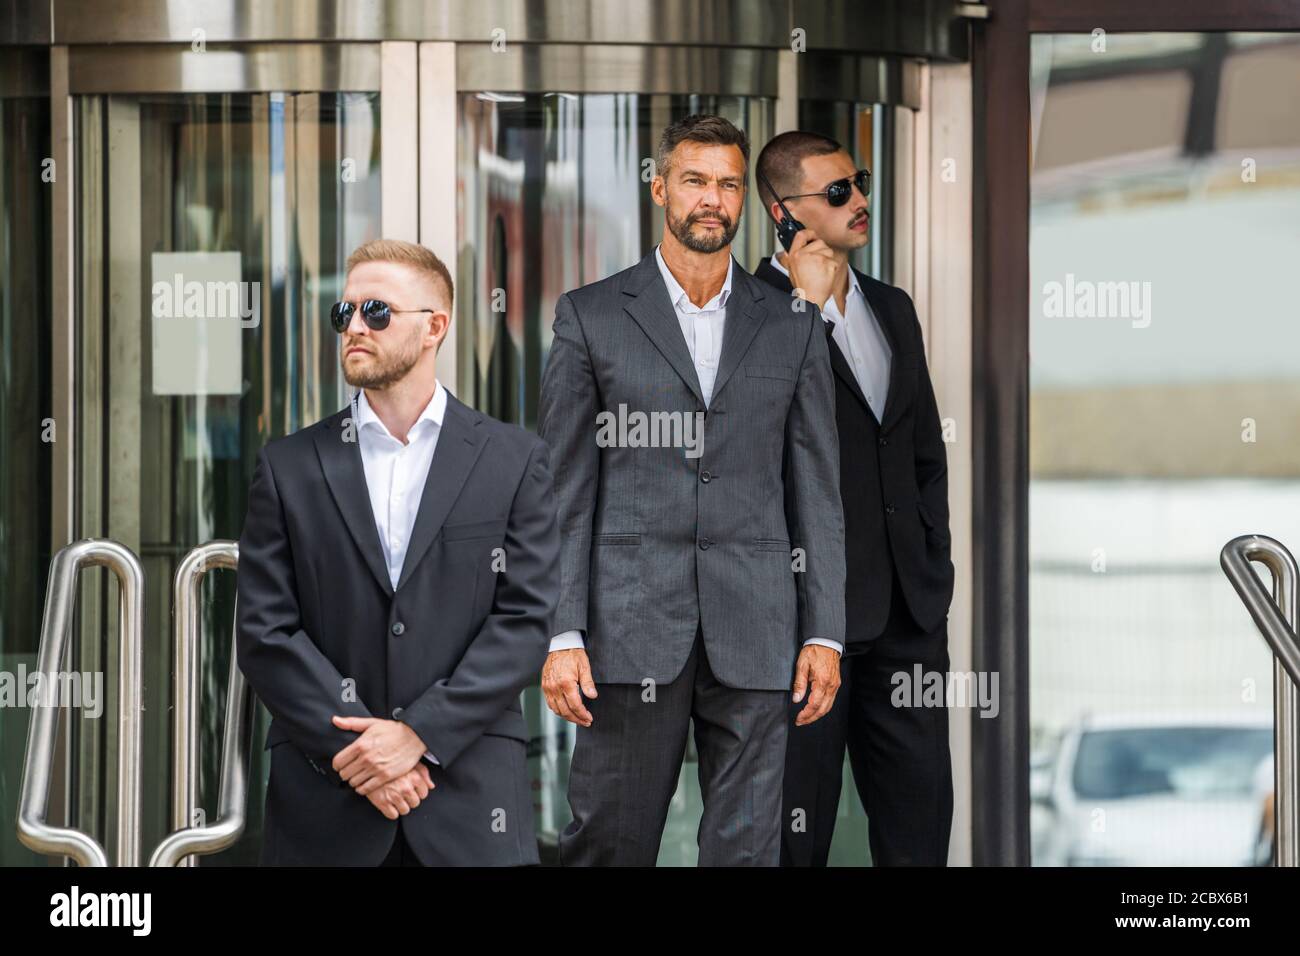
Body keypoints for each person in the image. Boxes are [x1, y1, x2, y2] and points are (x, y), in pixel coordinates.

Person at [538, 114, 846, 866]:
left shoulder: (792, 324)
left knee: (746, 853)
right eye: (696, 181)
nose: (713, 199)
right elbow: (563, 488)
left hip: (759, 628)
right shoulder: (592, 316)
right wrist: (561, 631)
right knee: (609, 844)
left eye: (729, 184)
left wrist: (824, 631)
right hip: (628, 627)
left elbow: (817, 485)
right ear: (660, 188)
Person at [236, 238, 560, 866]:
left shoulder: (514, 460)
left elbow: (524, 621)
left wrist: (419, 735)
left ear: (434, 326)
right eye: (344, 313)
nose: (354, 327)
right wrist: (365, 757)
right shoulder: (288, 466)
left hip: (467, 805)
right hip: (325, 808)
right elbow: (265, 631)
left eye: (376, 312)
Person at [753, 131, 955, 866]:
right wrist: (804, 311)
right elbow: (754, 447)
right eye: (838, 193)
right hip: (801, 628)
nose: (861, 200)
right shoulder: (749, 314)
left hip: (907, 616)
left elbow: (922, 452)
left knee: (919, 828)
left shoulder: (893, 308)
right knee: (790, 837)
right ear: (784, 213)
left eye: (859, 182)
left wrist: (934, 559)